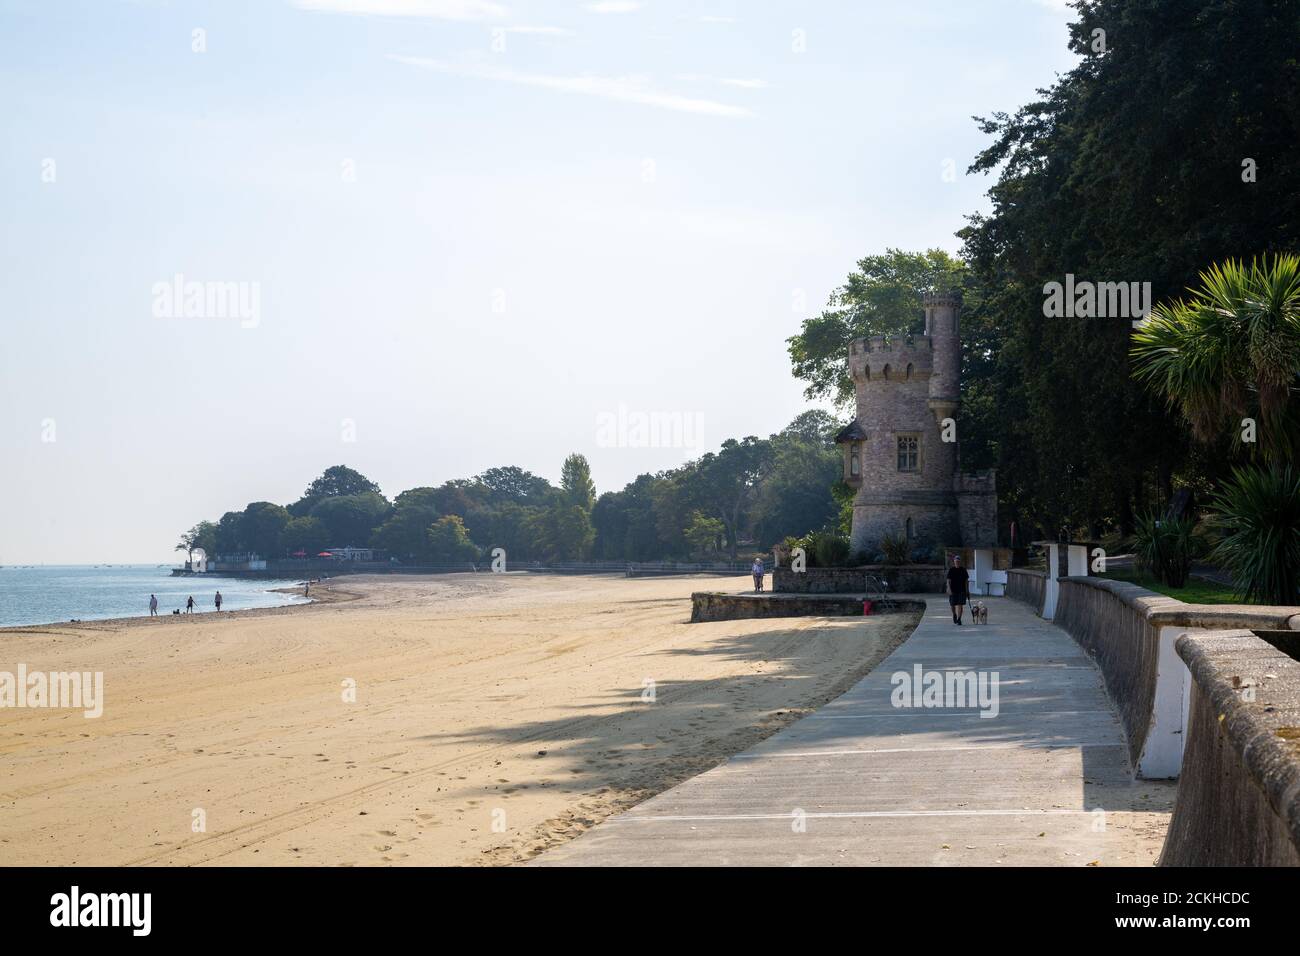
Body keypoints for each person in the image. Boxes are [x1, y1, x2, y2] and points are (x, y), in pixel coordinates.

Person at [946, 553, 969, 625]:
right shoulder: (951, 570)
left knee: (960, 604)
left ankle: (959, 619)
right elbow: (948, 581)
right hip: (953, 590)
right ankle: (954, 614)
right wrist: (949, 589)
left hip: (962, 590)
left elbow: (966, 581)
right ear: (954, 562)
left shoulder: (963, 570)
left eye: (958, 561)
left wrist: (967, 590)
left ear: (960, 562)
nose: (957, 562)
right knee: (952, 605)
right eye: (956, 561)